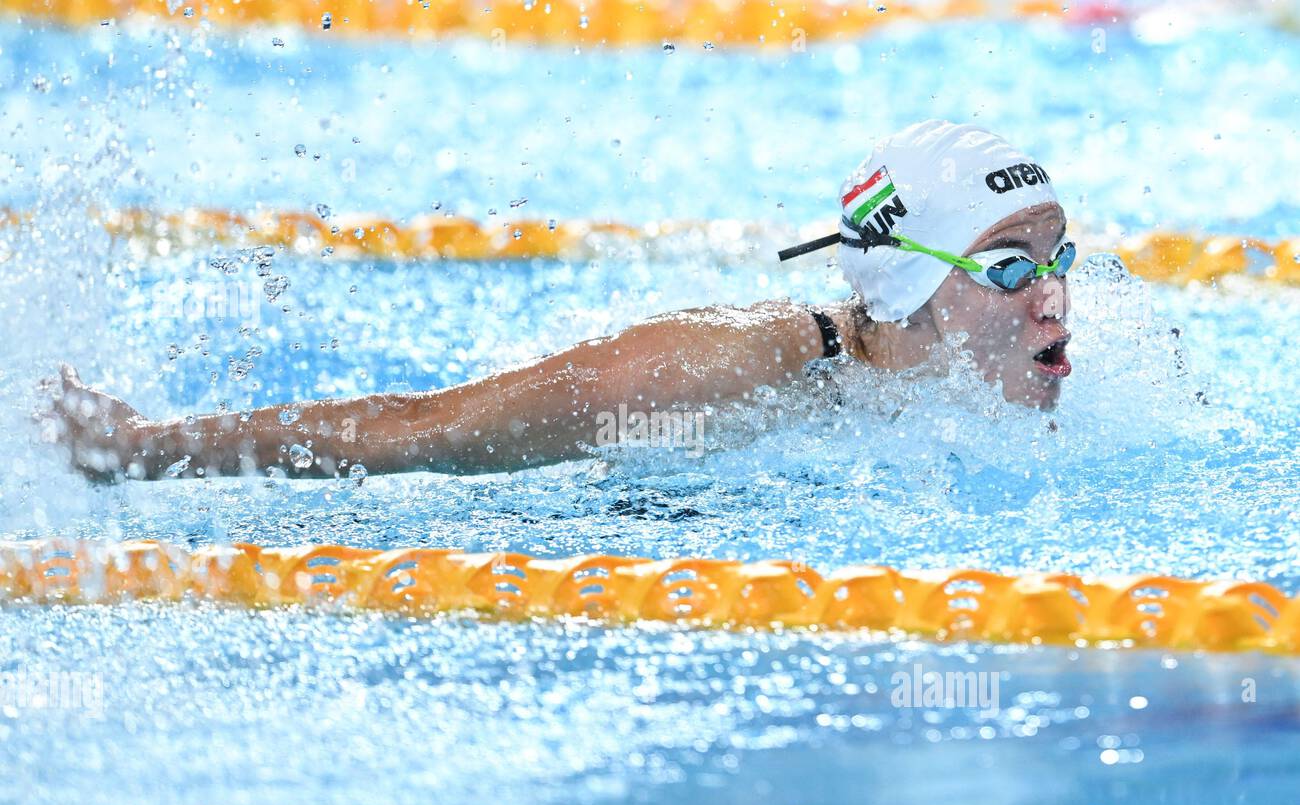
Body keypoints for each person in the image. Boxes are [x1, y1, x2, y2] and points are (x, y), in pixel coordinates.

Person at [39, 119, 1073, 482]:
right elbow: (423, 429)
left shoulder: (1075, 383)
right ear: (907, 282)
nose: (1054, 304)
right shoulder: (714, 369)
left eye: (1057, 256)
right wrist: (146, 445)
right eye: (1011, 267)